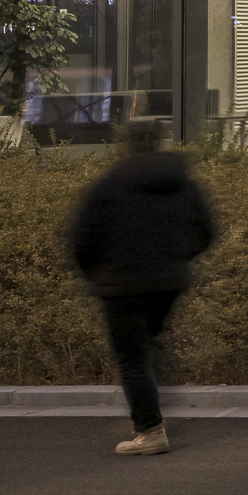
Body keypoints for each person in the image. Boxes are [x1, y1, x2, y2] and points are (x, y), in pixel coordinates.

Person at [62, 119, 217, 456]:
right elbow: (205, 231)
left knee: (132, 358)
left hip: (120, 285)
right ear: (160, 143)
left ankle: (149, 430)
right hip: (169, 283)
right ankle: (154, 398)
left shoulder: (108, 185)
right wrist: (177, 259)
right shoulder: (182, 184)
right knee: (147, 344)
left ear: (126, 145)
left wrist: (95, 273)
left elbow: (82, 240)